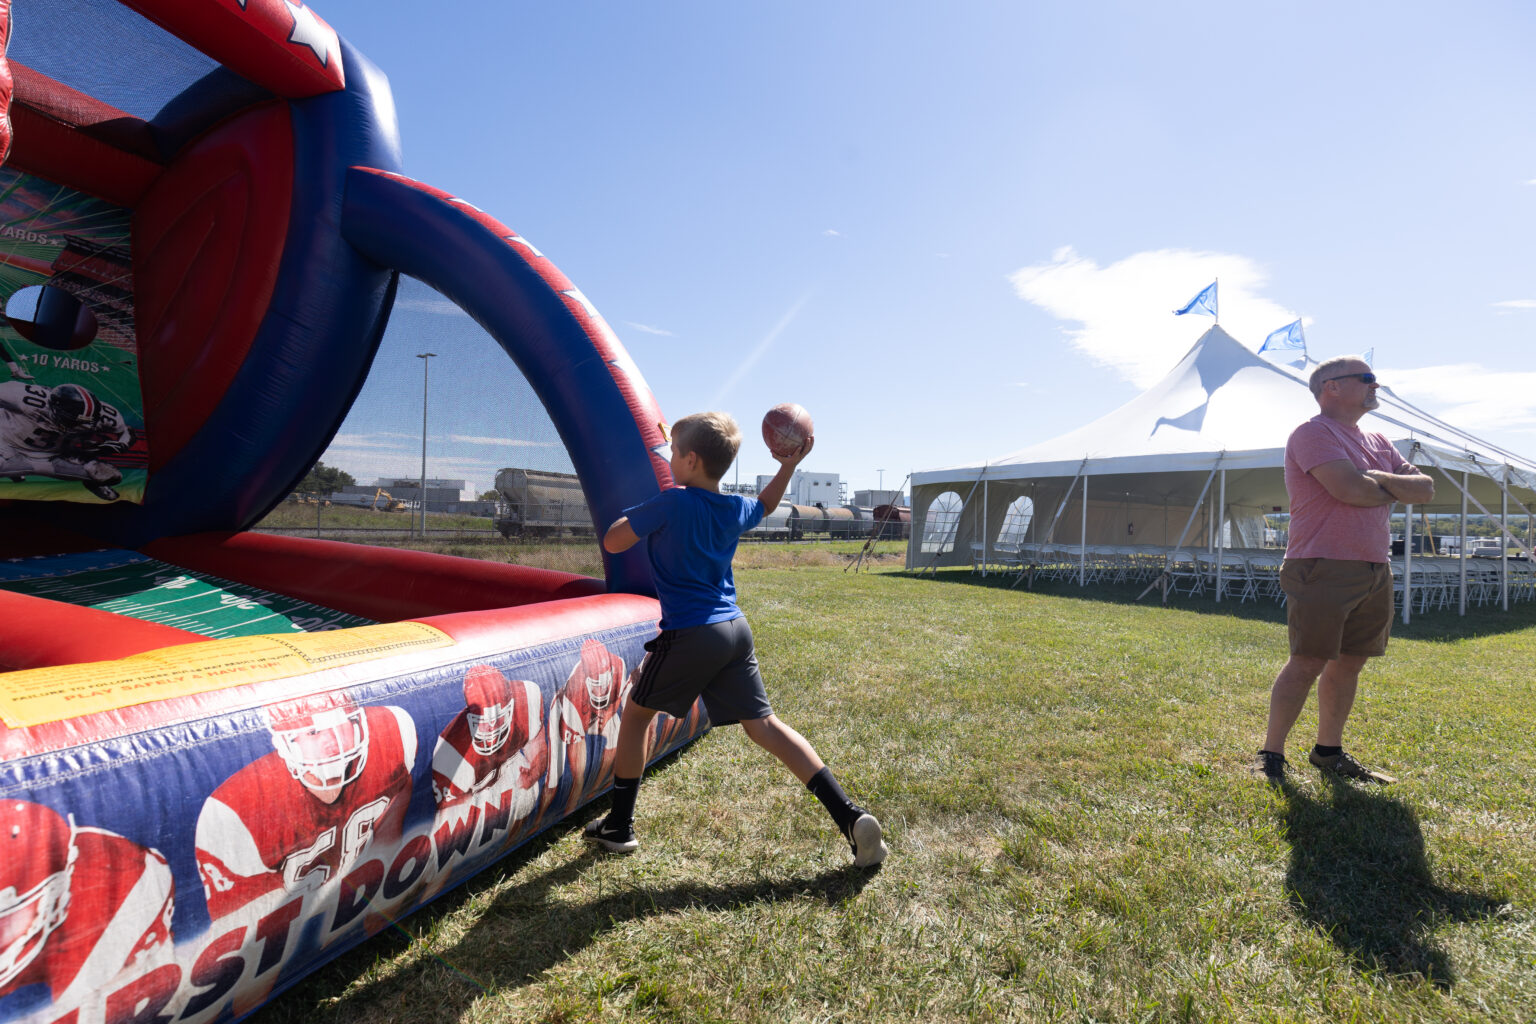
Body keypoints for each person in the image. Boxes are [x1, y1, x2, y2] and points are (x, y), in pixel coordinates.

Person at [584, 411, 888, 867]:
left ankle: (619, 825)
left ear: (689, 460)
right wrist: (790, 464)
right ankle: (849, 815)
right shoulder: (732, 508)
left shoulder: (670, 502)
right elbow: (765, 504)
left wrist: (631, 512)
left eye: (673, 452)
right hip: (734, 629)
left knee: (635, 718)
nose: (668, 460)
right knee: (764, 726)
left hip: (690, 632)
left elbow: (613, 542)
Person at [1255, 356, 1435, 785]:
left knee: (1351, 662)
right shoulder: (1312, 433)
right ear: (1331, 387)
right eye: (1368, 378)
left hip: (1374, 567)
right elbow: (1348, 491)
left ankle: (1328, 752)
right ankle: (1270, 754)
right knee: (1308, 660)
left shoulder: (1377, 440)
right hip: (1321, 565)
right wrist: (1386, 485)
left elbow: (1425, 489)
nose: (1376, 384)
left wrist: (1372, 475)